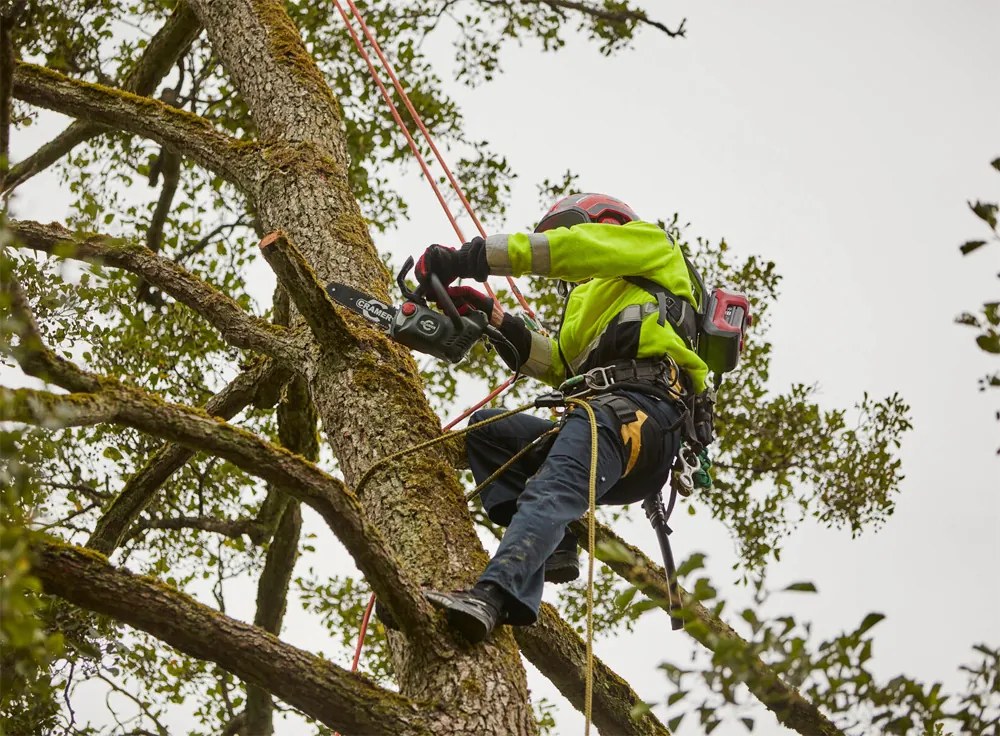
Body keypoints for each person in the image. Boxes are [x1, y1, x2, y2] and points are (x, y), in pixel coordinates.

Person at [413, 193, 709, 643]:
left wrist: (468, 258)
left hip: (641, 417)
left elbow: (573, 249)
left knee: (554, 483)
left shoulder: (649, 244)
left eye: (568, 232)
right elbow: (560, 367)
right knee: (490, 431)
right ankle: (555, 543)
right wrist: (493, 318)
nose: (565, 248)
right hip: (598, 422)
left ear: (602, 222)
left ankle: (494, 595)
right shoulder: (589, 311)